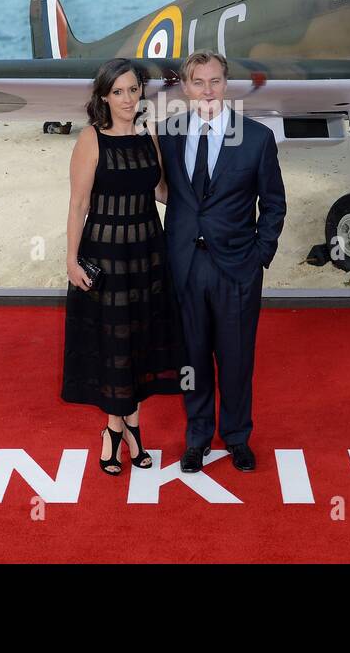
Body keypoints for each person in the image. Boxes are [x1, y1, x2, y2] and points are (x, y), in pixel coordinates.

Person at [158, 51, 286, 474]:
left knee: (236, 359)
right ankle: (197, 439)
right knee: (192, 360)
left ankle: (236, 437)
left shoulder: (255, 138)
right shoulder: (167, 133)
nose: (207, 91)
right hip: (185, 268)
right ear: (185, 87)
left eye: (215, 81)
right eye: (198, 82)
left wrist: (259, 257)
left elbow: (273, 205)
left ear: (226, 85)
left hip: (237, 269)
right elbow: (165, 193)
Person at [61, 58, 187, 476]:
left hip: (149, 253)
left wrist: (215, 199)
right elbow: (79, 205)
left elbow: (164, 192)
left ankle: (126, 426)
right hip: (106, 257)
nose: (127, 98)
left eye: (133, 89)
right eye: (118, 92)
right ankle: (118, 428)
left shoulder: (149, 133)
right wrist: (70, 260)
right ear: (103, 97)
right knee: (115, 342)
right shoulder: (91, 139)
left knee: (140, 337)